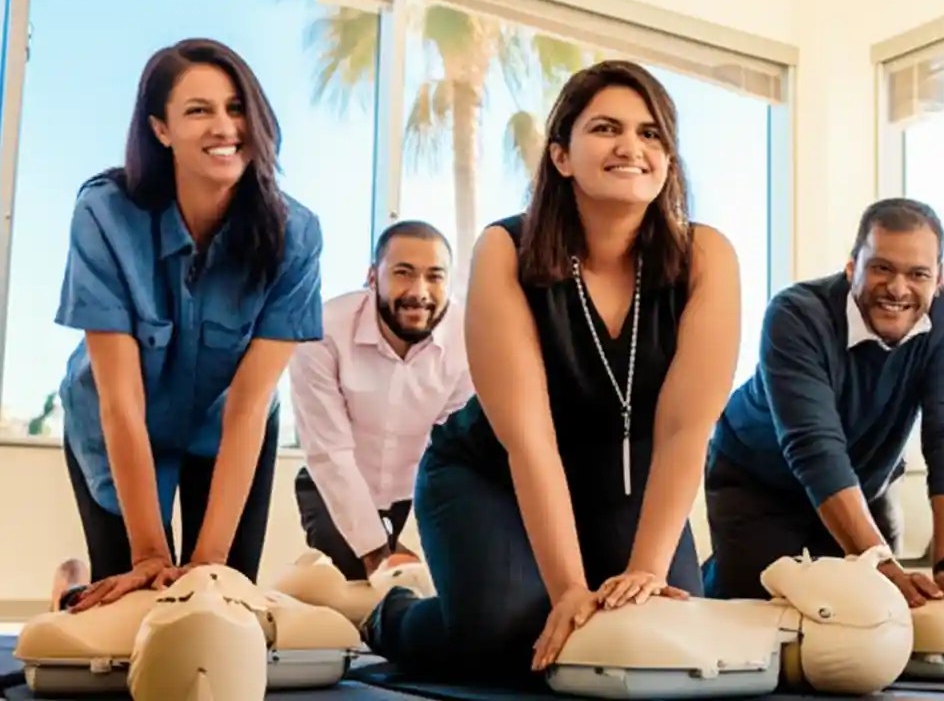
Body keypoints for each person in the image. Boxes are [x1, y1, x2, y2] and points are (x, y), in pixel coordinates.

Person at [360, 59, 741, 682]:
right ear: (561, 156)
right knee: (514, 630)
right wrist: (568, 588)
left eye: (651, 134)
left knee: (652, 633)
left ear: (668, 161)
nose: (631, 147)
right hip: (490, 477)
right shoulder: (504, 249)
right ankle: (392, 616)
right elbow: (529, 439)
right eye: (606, 129)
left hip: (623, 488)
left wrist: (646, 572)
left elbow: (683, 431)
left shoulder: (706, 256)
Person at [51, 37, 324, 613]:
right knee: (133, 609)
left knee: (215, 609)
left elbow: (248, 406)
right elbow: (120, 403)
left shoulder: (296, 235)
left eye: (235, 107)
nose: (224, 126)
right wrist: (151, 556)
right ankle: (70, 589)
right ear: (161, 129)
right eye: (198, 110)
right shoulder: (104, 214)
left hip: (228, 426)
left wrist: (207, 567)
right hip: (116, 426)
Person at [700, 198, 944, 608]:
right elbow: (815, 447)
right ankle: (714, 577)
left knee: (870, 611)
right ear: (853, 267)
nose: (898, 289)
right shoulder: (795, 314)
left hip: (866, 481)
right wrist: (879, 561)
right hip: (760, 481)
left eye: (918, 274)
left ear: (939, 279)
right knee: (769, 612)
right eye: (882, 268)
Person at [289, 220, 472, 581]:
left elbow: (453, 451)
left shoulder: (470, 340)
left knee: (429, 589)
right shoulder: (322, 331)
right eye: (403, 273)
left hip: (419, 491)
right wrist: (376, 552)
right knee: (357, 588)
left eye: (435, 277)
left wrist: (414, 544)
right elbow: (330, 452)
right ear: (373, 277)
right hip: (332, 487)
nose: (420, 291)